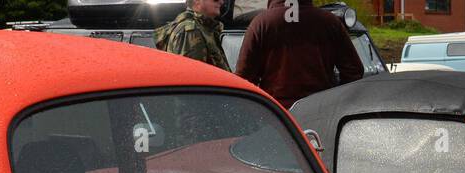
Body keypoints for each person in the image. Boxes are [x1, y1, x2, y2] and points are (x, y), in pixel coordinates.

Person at [235, 0, 364, 110]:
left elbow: (243, 78)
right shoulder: (329, 22)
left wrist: (260, 109)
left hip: (277, 115)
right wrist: (336, 101)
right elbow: (354, 70)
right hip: (322, 110)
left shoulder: (261, 23)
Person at [155, 0, 231, 72]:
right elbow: (193, 77)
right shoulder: (190, 30)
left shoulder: (204, 28)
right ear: (197, 1)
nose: (221, 2)